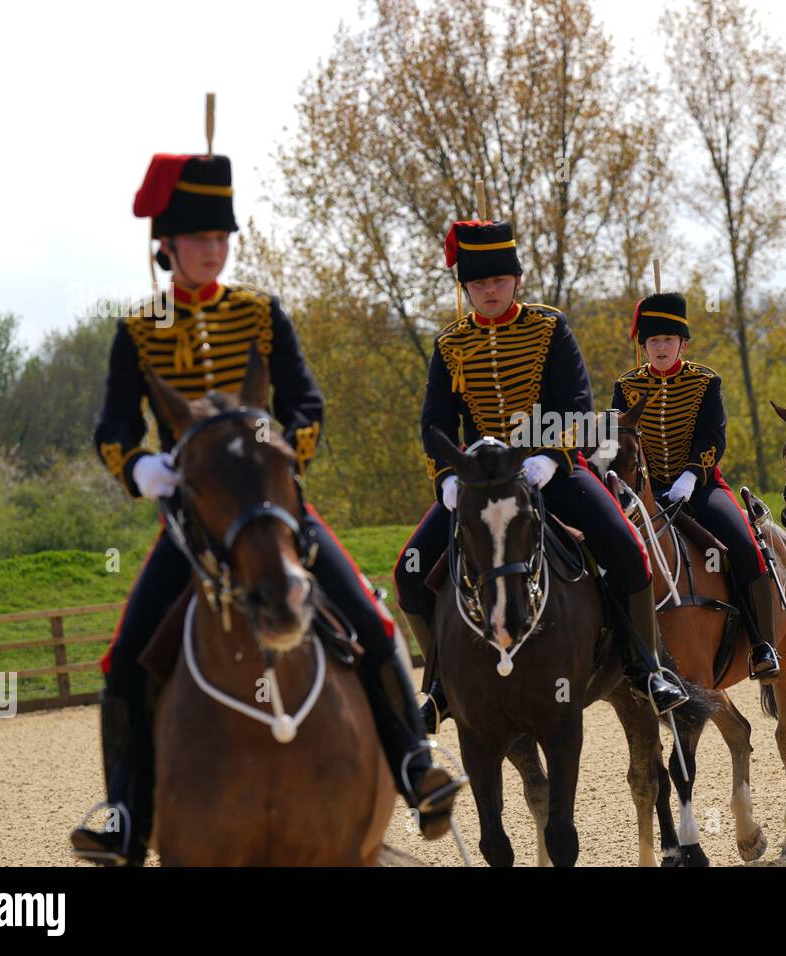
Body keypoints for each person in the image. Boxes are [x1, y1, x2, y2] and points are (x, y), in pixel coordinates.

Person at [71, 149, 460, 866]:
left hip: (275, 509)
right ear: (167, 246)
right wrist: (141, 467)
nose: (212, 252)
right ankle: (125, 811)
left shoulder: (259, 311)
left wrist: (280, 449)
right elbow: (113, 427)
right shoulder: (138, 329)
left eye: (221, 240)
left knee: (371, 620)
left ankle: (414, 763)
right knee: (126, 654)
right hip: (194, 523)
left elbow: (305, 400)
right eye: (198, 241)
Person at [394, 219, 689, 731]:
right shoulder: (450, 344)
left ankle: (646, 667)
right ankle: (440, 685)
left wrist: (549, 456)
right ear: (466, 287)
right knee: (411, 569)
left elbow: (576, 401)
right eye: (479, 283)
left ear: (516, 280)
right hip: (480, 482)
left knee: (626, 548)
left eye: (498, 280)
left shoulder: (549, 327)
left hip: (551, 470)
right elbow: (435, 419)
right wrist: (446, 475)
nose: (490, 290)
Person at [610, 291, 781, 680]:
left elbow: (713, 437)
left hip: (700, 487)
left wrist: (690, 475)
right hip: (645, 492)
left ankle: (762, 645)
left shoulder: (705, 381)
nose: (661, 347)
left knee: (743, 547)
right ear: (645, 345)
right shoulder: (626, 386)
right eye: (654, 340)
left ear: (683, 343)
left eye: (669, 340)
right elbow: (618, 441)